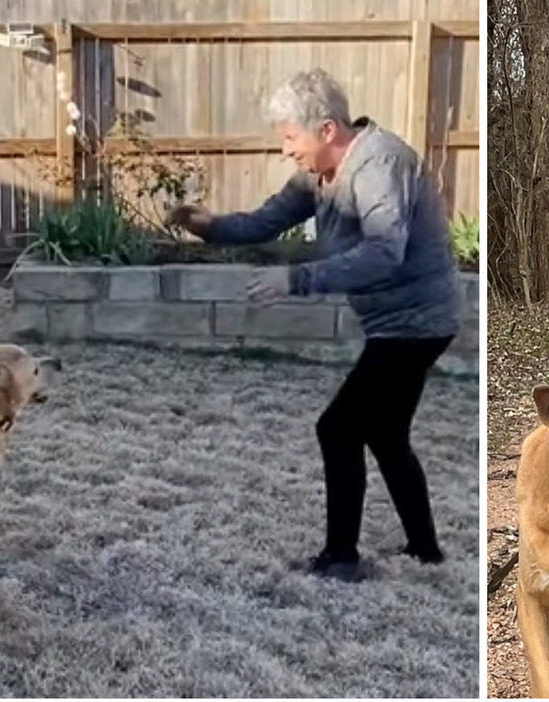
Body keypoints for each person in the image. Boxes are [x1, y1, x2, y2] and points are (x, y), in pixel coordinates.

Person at [166, 68, 460, 581]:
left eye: (288, 138)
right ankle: (425, 551)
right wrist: (210, 225)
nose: (285, 150)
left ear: (326, 130)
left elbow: (384, 252)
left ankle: (342, 557)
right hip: (398, 324)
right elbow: (267, 219)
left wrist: (296, 279)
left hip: (417, 322)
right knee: (387, 435)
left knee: (339, 428)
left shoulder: (378, 164)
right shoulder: (318, 175)